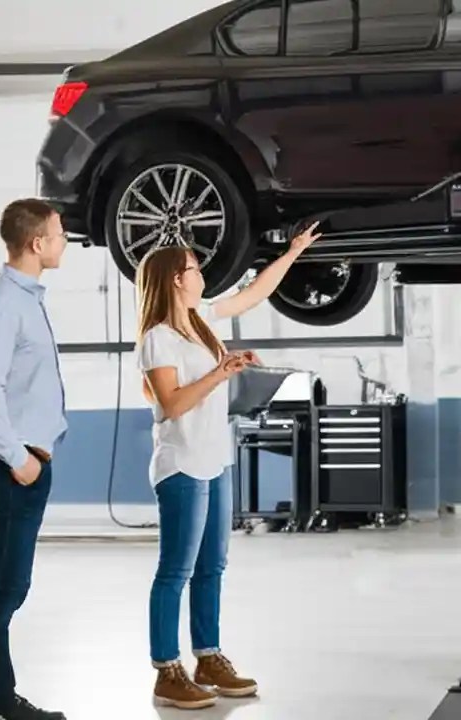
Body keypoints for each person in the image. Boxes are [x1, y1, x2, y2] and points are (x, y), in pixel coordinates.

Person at [135, 222, 321, 710]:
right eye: (195, 269)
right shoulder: (158, 338)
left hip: (214, 461)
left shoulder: (200, 320)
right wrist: (221, 372)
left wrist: (294, 252)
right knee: (175, 570)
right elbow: (171, 405)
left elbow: (253, 293)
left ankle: (208, 655)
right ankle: (166, 670)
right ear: (177, 278)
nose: (201, 275)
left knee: (212, 567)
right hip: (181, 465)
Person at [0, 199, 70, 720]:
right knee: (1, 590)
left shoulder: (25, 299)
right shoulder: (4, 303)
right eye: (60, 234)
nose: (64, 241)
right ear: (37, 243)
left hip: (24, 465)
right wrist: (16, 457)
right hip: (9, 468)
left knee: (7, 589)